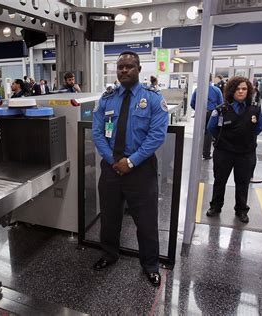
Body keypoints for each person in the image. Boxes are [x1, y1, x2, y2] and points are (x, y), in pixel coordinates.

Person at [92, 51, 169, 286]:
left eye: (129, 67)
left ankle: (150, 265)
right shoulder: (107, 98)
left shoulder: (153, 98)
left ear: (138, 69)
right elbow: (97, 132)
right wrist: (114, 160)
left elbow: (157, 135)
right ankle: (109, 253)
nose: (124, 70)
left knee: (145, 221)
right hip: (111, 167)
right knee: (109, 216)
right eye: (120, 67)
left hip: (141, 170)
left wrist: (131, 161)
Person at [206, 76, 262, 223]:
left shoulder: (255, 109)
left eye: (244, 89)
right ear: (231, 91)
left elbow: (259, 127)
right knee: (220, 181)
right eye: (237, 89)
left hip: (246, 153)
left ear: (248, 91)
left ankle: (241, 210)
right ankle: (215, 206)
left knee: (243, 183)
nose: (240, 92)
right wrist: (225, 140)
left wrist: (245, 138)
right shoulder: (221, 110)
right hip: (224, 152)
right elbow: (211, 128)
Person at [190, 74, 224, 160]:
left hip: (200, 113)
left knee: (198, 132)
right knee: (209, 133)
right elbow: (221, 103)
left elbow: (192, 103)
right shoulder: (217, 90)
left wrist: (198, 110)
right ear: (211, 80)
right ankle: (206, 154)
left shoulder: (198, 90)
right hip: (212, 113)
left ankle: (196, 152)